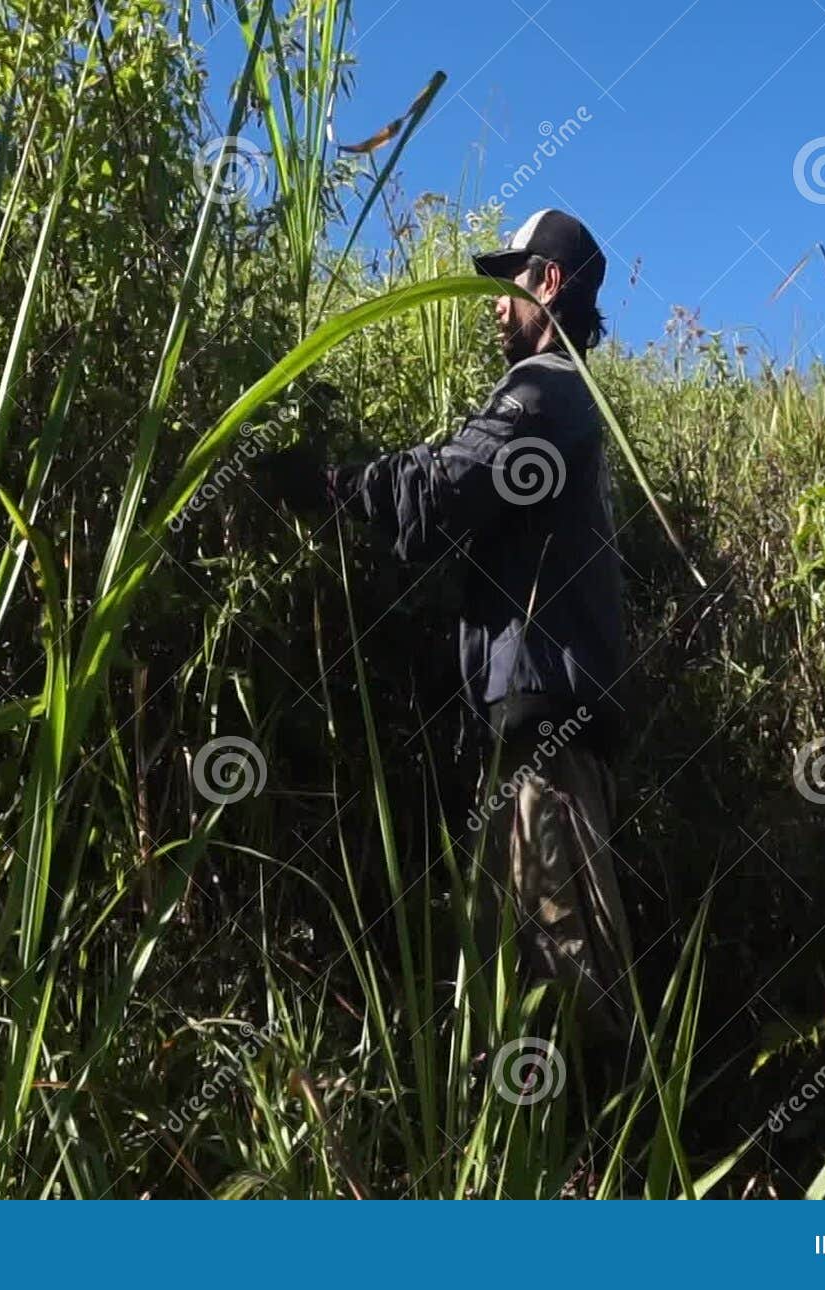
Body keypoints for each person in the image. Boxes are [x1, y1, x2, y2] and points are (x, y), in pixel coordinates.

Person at [255, 209, 634, 1040]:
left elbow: (442, 488)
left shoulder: (546, 393)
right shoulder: (568, 404)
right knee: (520, 988)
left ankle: (618, 1163)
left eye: (508, 282)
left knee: (571, 990)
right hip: (536, 729)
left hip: (546, 742)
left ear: (550, 282)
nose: (493, 301)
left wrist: (321, 482)